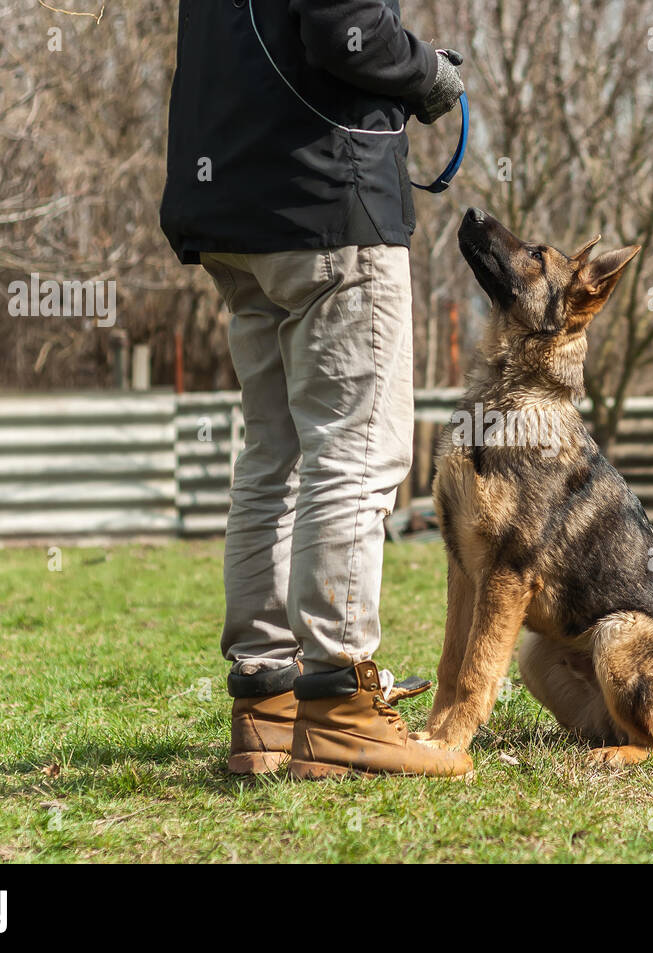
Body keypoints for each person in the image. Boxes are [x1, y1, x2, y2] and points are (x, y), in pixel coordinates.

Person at [159, 0, 470, 779]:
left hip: (236, 203)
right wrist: (429, 73)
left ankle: (267, 701)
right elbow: (343, 27)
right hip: (328, 199)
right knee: (355, 453)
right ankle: (342, 704)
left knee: (275, 458)